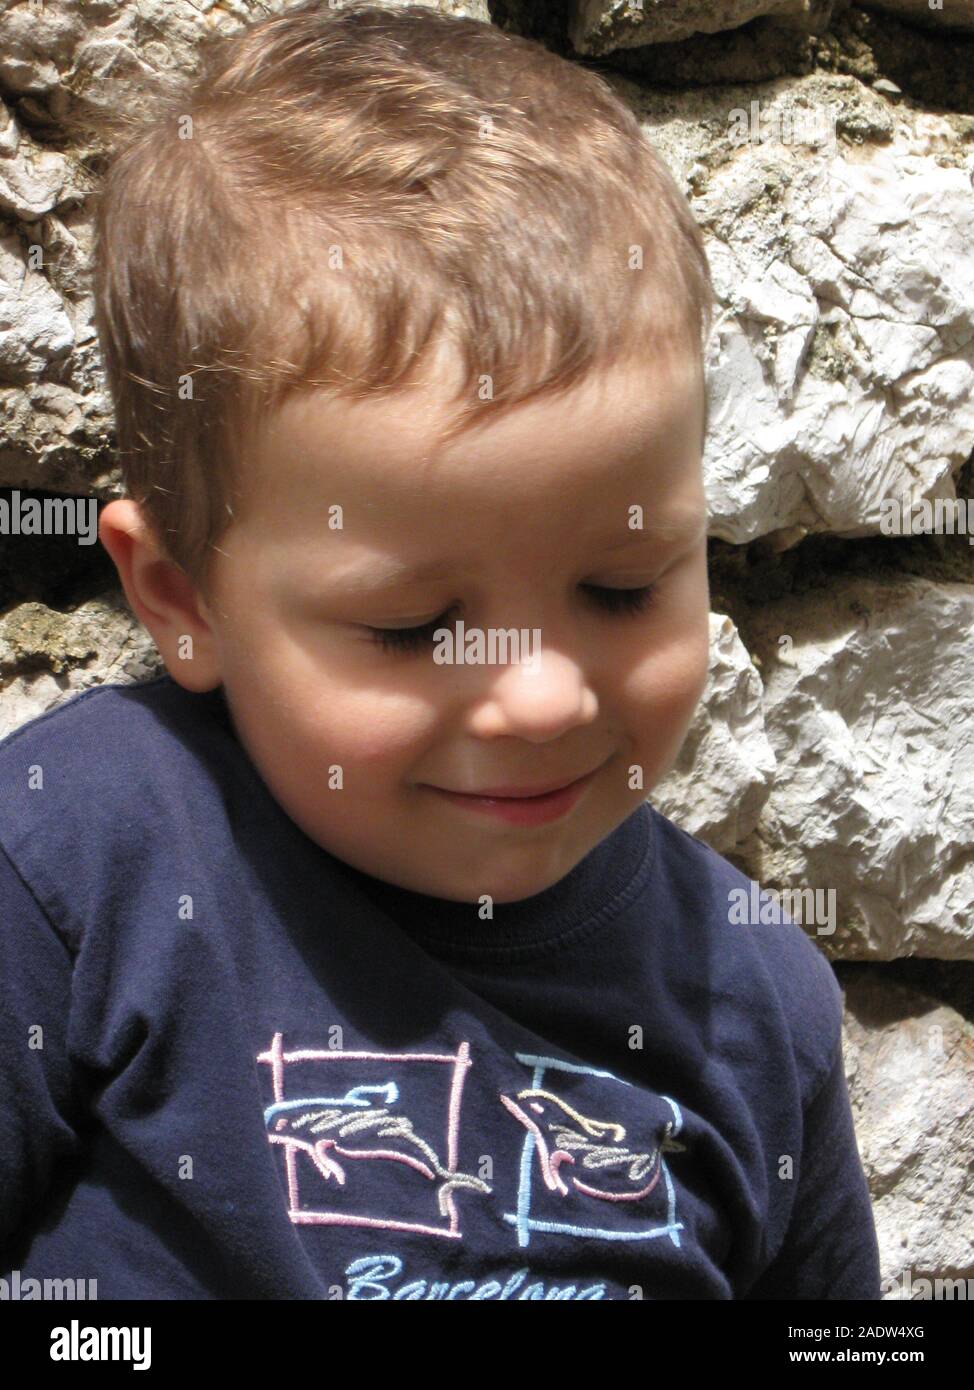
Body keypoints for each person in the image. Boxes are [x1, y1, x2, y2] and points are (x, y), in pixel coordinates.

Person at [0, 1, 880, 1301]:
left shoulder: (752, 987)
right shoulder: (74, 864)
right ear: (181, 595)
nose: (538, 693)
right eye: (416, 627)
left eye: (622, 586)